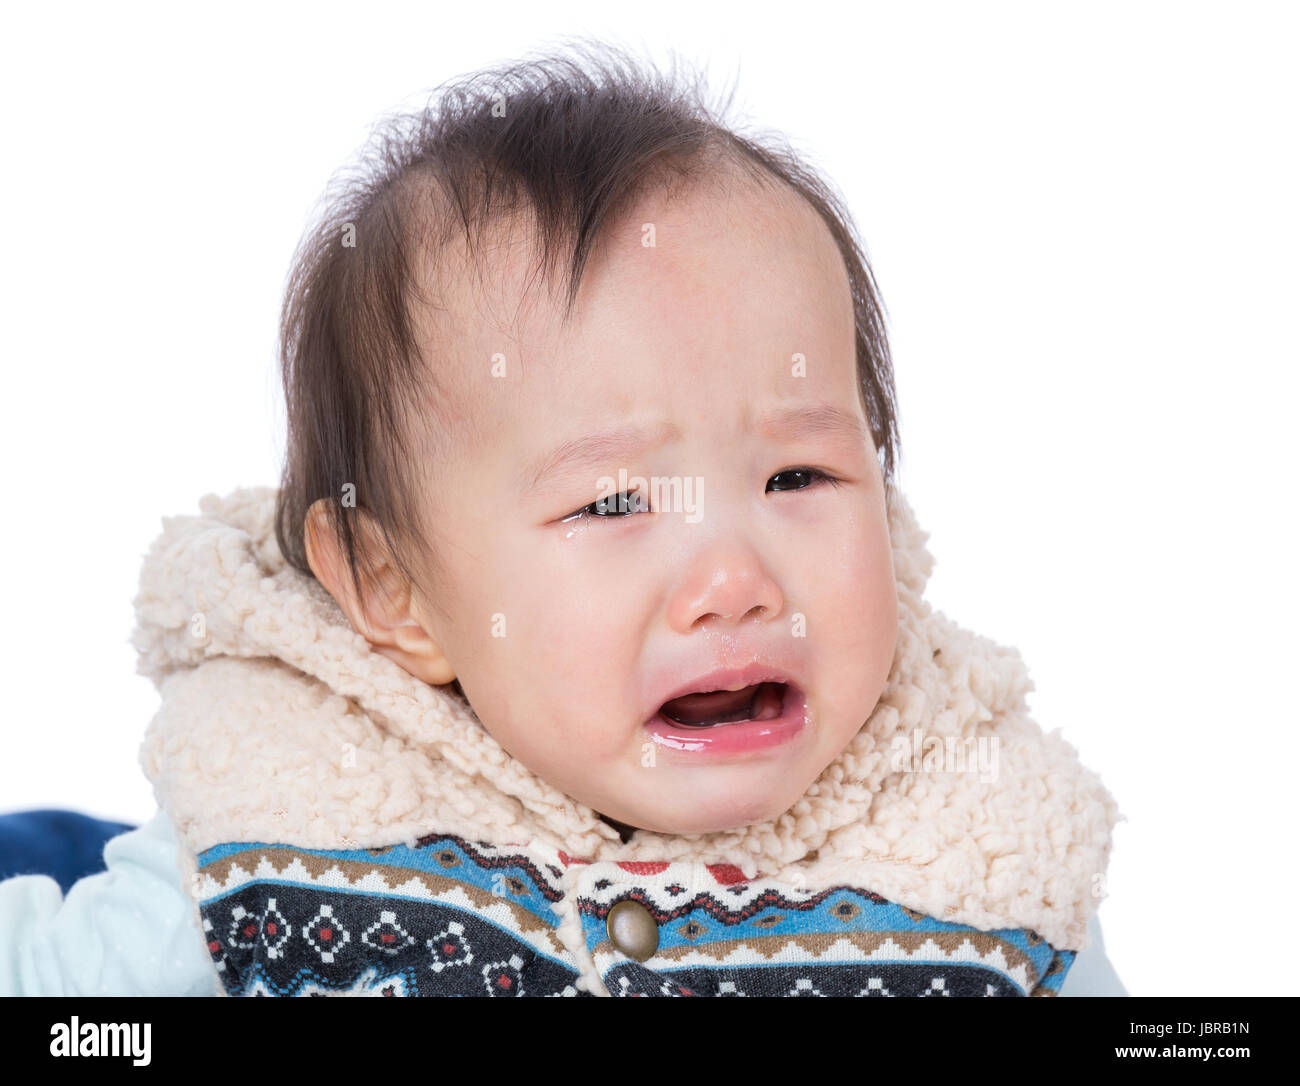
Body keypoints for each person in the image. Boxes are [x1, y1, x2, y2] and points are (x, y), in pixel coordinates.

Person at [0, 38, 1124, 997]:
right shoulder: (272, 816)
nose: (734, 577)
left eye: (797, 479)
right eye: (614, 502)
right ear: (397, 594)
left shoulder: (978, 843)